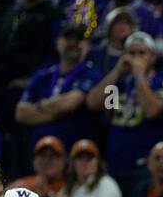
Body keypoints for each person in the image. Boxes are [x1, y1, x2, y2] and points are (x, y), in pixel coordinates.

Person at [87, 30, 163, 185]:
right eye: (131, 53)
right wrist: (116, 72)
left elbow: (152, 111)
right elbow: (93, 103)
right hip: (114, 162)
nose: (136, 57)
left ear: (152, 56)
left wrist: (139, 75)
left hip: (144, 166)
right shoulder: (120, 84)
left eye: (142, 53)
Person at [15, 22, 102, 155]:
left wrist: (39, 107)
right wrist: (56, 111)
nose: (73, 43)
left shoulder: (92, 73)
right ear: (57, 42)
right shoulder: (43, 74)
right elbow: (21, 114)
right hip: (39, 153)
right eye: (68, 38)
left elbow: (68, 105)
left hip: (74, 155)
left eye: (79, 39)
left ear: (88, 45)